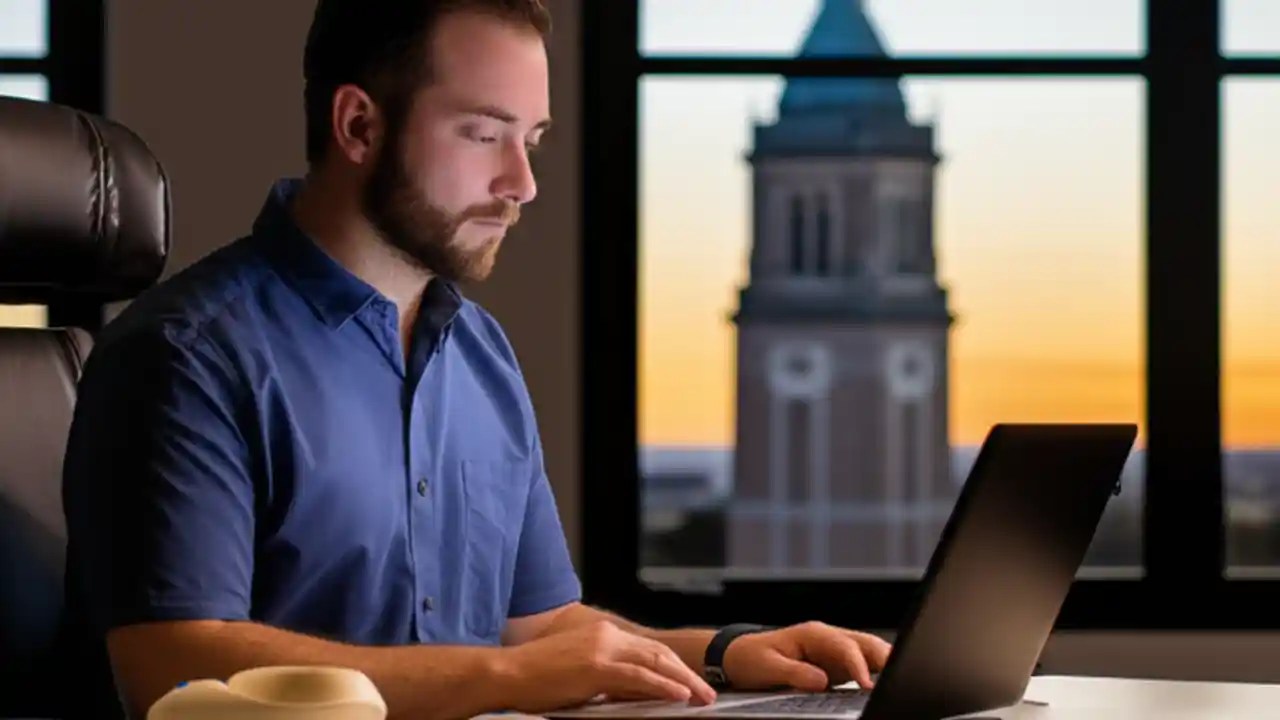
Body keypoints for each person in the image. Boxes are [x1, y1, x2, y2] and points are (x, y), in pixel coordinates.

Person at [61, 2, 892, 719]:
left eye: (530, 139)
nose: (522, 182)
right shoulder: (188, 356)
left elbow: (539, 628)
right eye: (484, 134)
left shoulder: (478, 351)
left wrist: (728, 653)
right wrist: (507, 677)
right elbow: (169, 665)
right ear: (358, 126)